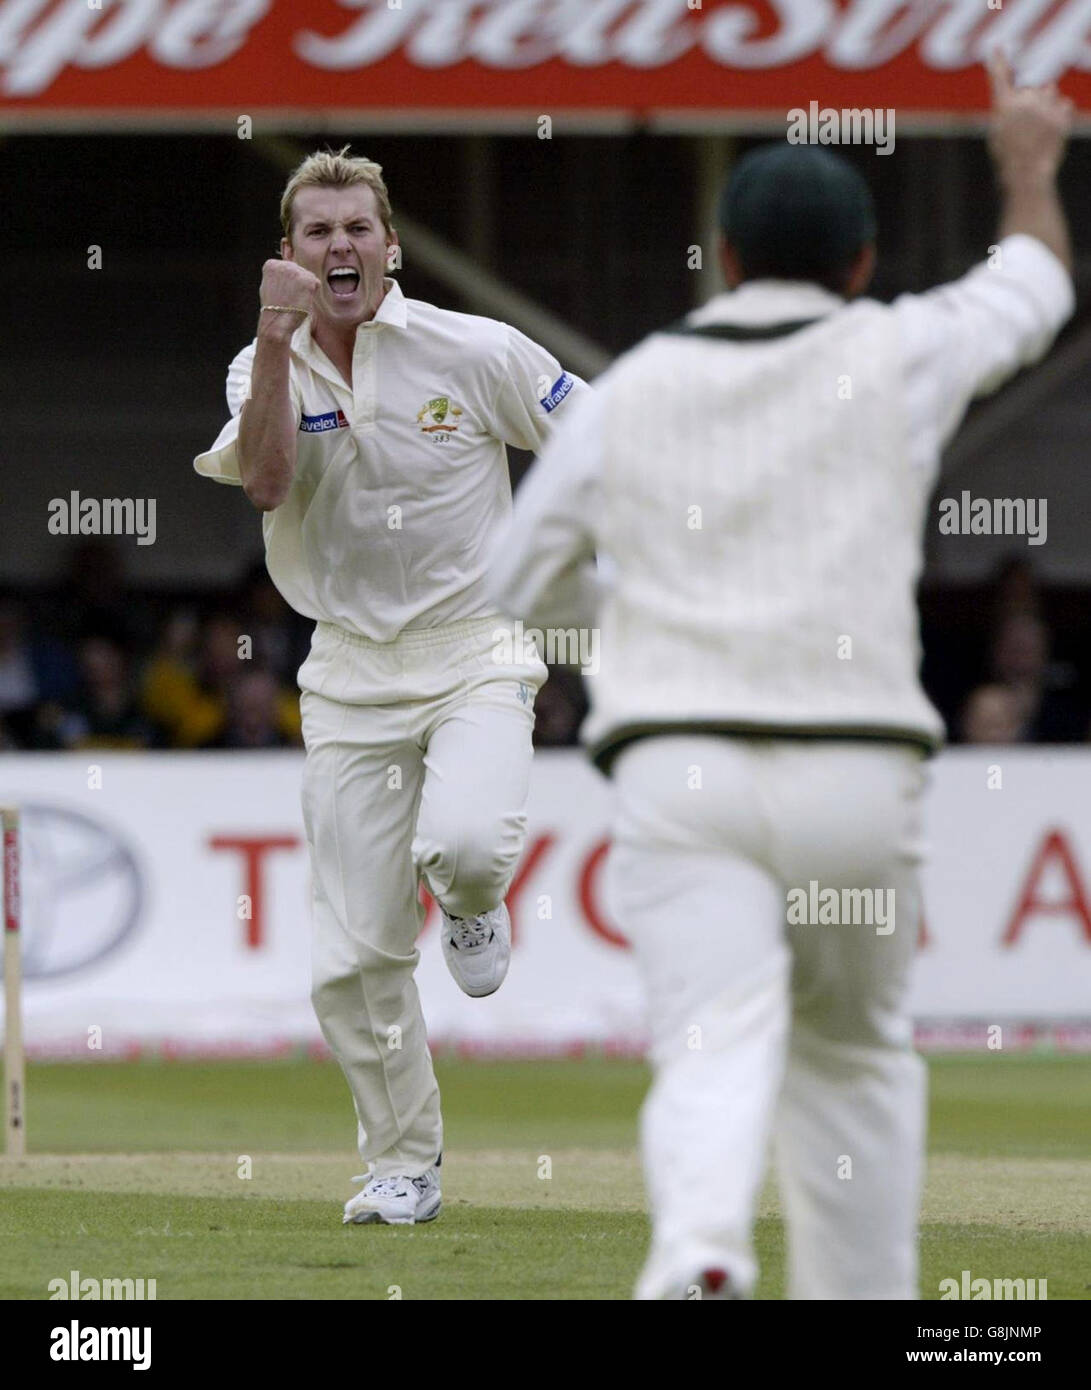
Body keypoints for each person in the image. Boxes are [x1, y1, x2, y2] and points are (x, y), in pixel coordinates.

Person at [489, 57, 1074, 1299]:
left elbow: (516, 579)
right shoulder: (902, 347)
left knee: (709, 1039)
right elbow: (1030, 284)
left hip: (679, 766)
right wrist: (1024, 166)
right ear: (862, 262)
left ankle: (699, 1252)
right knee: (852, 1055)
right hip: (857, 774)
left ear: (726, 253)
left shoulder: (632, 387)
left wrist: (631, 619)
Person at [194, 147, 587, 1226]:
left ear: (391, 247)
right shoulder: (256, 368)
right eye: (316, 232)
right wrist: (275, 350)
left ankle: (469, 901)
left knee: (463, 847)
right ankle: (403, 1164)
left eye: (356, 228)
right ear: (288, 256)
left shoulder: (472, 349)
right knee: (352, 955)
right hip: (350, 669)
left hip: (476, 645)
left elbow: (593, 437)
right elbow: (266, 481)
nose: (339, 247)